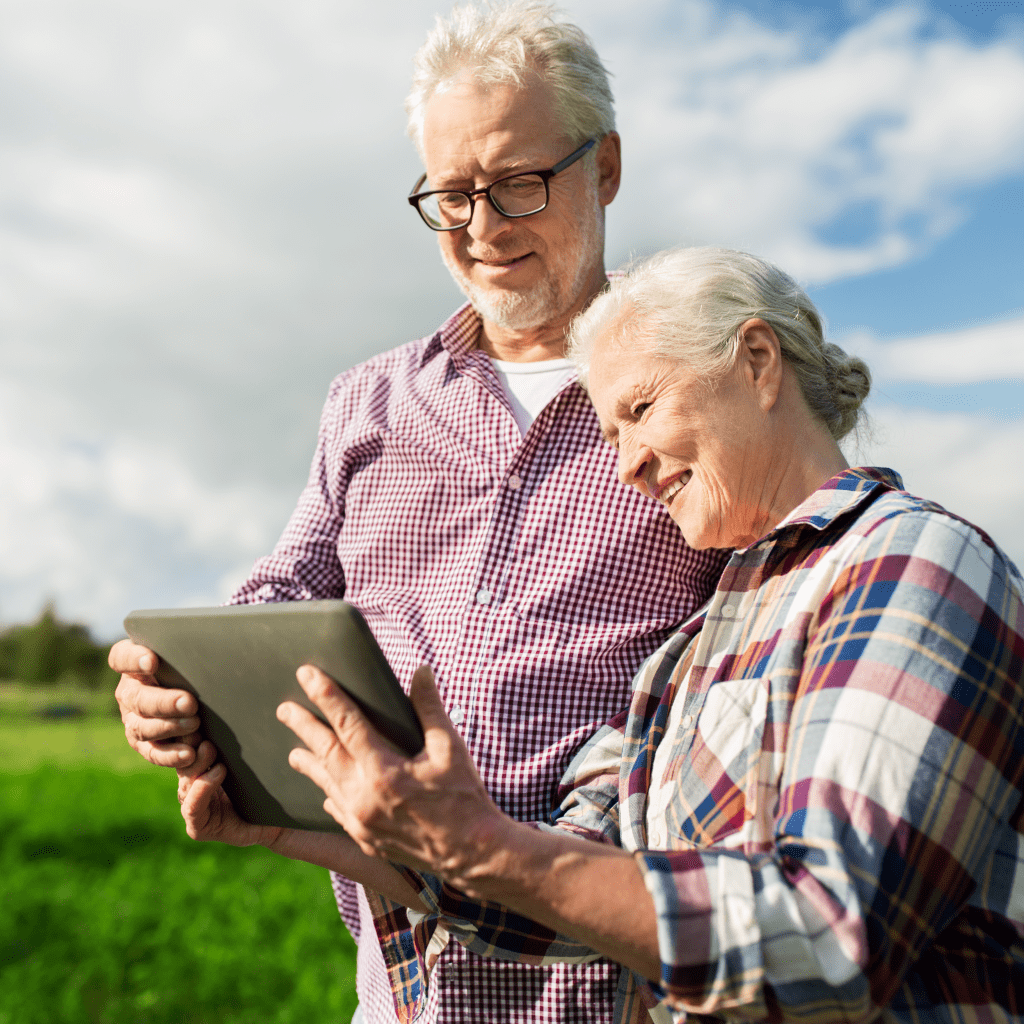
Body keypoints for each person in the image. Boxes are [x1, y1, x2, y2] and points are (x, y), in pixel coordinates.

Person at [181, 246, 1023, 1023]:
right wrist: (317, 829)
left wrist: (485, 848)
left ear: (758, 363)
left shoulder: (915, 564)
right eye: (610, 433)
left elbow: (829, 941)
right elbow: (556, 883)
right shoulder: (691, 647)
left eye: (641, 409)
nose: (625, 464)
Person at [107, 4, 727, 1023]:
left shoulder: (680, 391)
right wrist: (176, 682)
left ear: (603, 168)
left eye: (518, 182)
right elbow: (284, 589)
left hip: (610, 985)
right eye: (451, 194)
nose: (482, 228)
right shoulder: (370, 399)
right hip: (399, 986)